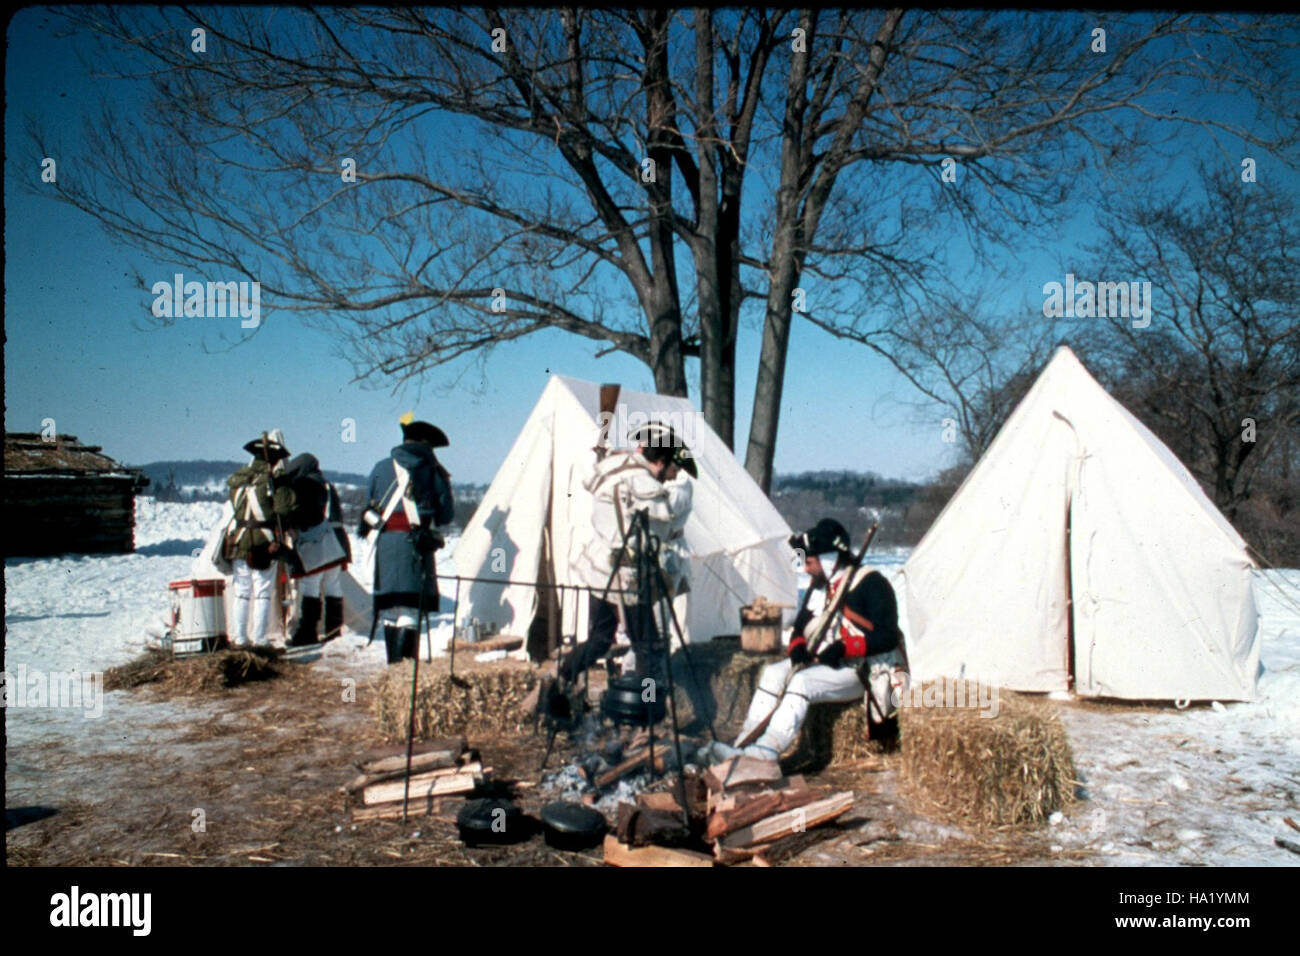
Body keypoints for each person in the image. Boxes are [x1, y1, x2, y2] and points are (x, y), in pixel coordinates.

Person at [701, 518, 909, 763]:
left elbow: (886, 636)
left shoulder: (872, 584)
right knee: (772, 673)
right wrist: (798, 646)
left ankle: (764, 753)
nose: (806, 568)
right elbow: (801, 625)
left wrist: (845, 647)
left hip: (861, 669)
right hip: (826, 662)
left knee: (800, 682)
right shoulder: (821, 585)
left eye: (809, 562)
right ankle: (744, 743)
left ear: (829, 559)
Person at [560, 421, 697, 687]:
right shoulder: (644, 484)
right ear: (660, 460)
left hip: (599, 569)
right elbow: (660, 532)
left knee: (599, 639)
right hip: (627, 576)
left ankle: (560, 678)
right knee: (649, 648)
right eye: (672, 468)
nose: (672, 476)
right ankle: (647, 712)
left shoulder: (616, 466)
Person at [360, 416, 454, 664]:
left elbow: (369, 504)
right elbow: (446, 515)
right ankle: (403, 675)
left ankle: (395, 672)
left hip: (385, 544)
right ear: (426, 445)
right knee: (411, 610)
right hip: (414, 545)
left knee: (391, 611)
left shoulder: (380, 467)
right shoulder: (431, 470)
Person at [223, 430, 294, 649]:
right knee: (262, 592)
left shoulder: (238, 481)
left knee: (242, 593)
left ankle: (240, 638)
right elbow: (283, 510)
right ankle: (260, 639)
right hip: (264, 543)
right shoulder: (275, 481)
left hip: (239, 541)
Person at [277, 453, 352, 646]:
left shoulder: (304, 486)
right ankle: (334, 631)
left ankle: (307, 633)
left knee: (310, 588)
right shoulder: (327, 485)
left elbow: (303, 515)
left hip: (313, 544)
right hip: (335, 542)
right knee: (332, 586)